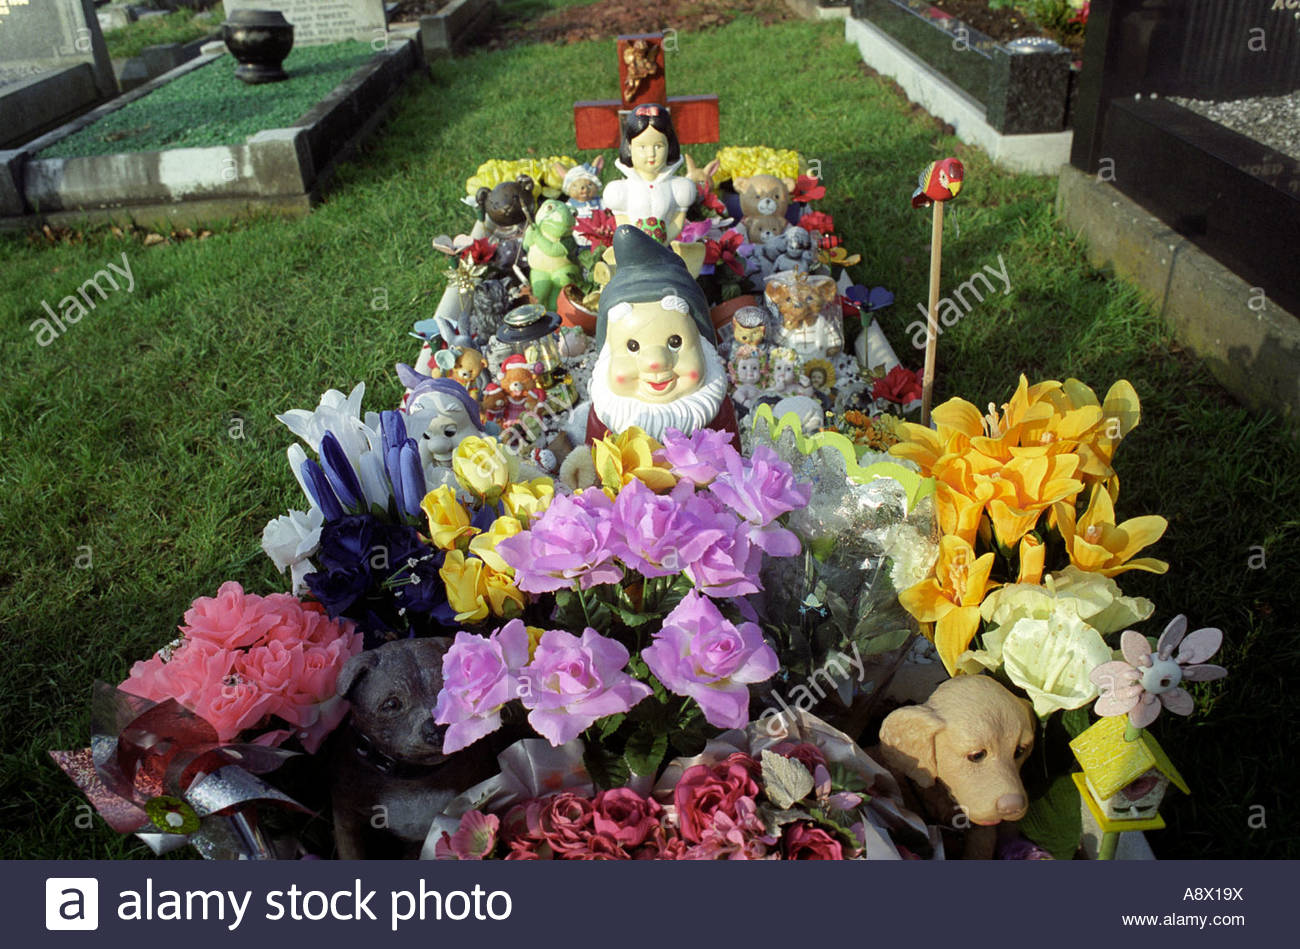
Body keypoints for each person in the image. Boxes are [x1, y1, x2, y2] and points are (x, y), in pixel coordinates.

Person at [582, 225, 738, 447]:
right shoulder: (606, 413)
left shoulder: (715, 409)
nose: (655, 362)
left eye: (675, 342)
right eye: (632, 346)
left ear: (702, 344)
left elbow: (733, 464)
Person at [602, 104, 697, 244]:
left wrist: (663, 242)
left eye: (658, 146)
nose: (651, 154)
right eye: (642, 147)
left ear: (669, 146)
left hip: (664, 248)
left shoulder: (679, 187)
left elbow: (677, 220)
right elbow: (622, 221)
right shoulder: (620, 190)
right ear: (629, 147)